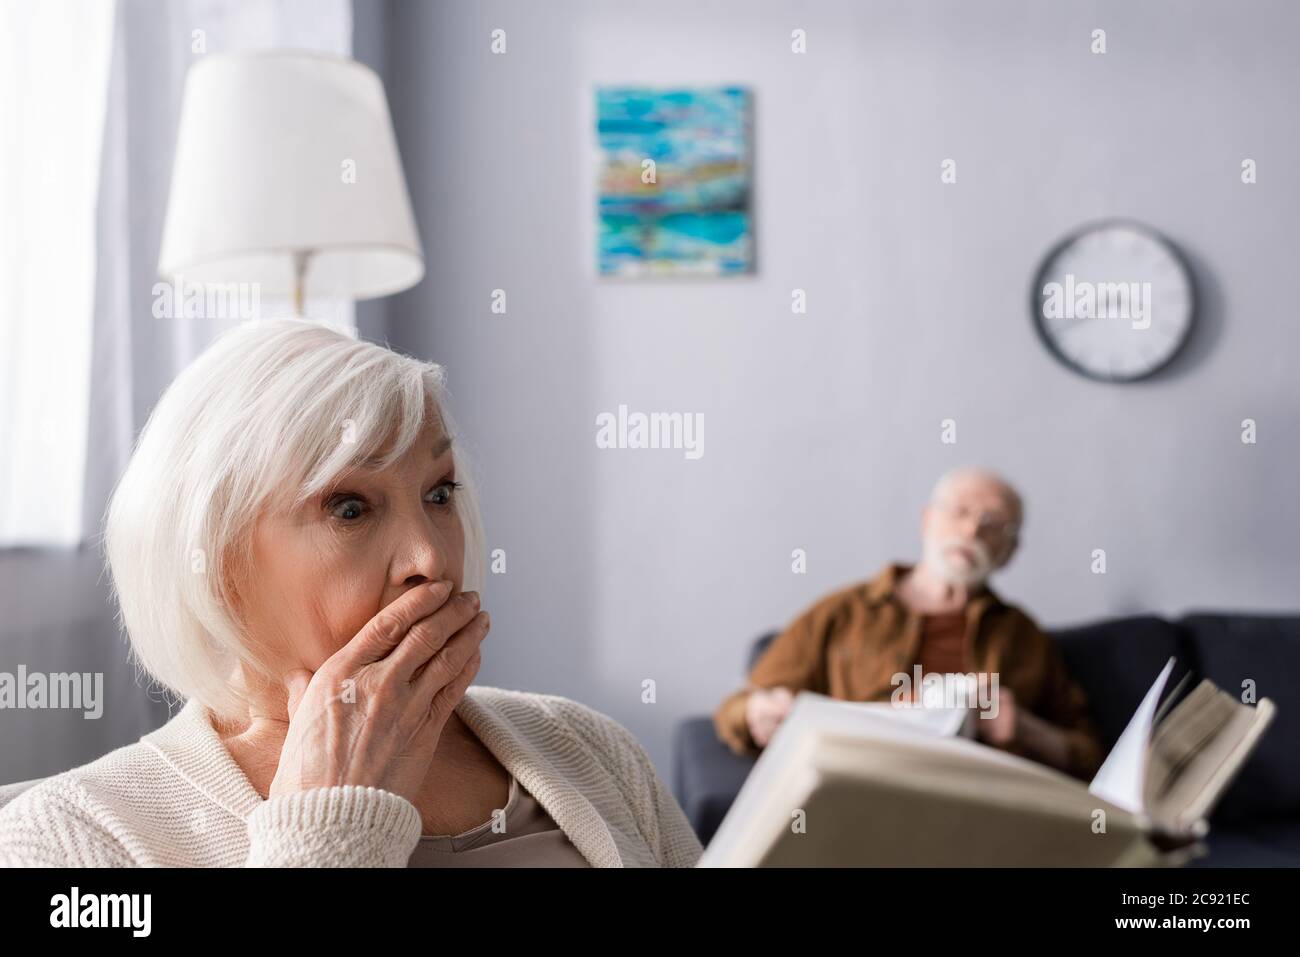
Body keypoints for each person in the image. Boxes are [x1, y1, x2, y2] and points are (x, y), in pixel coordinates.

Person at [0, 318, 702, 867]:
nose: (431, 556)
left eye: (439, 491)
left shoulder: (589, 745)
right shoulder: (69, 836)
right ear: (216, 562)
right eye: (350, 507)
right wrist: (332, 826)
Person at [713, 467, 1105, 779]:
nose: (971, 531)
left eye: (994, 523)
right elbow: (737, 707)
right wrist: (757, 713)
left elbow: (1090, 755)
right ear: (927, 520)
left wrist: (1024, 728)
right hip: (863, 791)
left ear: (1010, 552)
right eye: (960, 512)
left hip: (982, 805)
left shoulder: (1023, 637)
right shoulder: (842, 612)